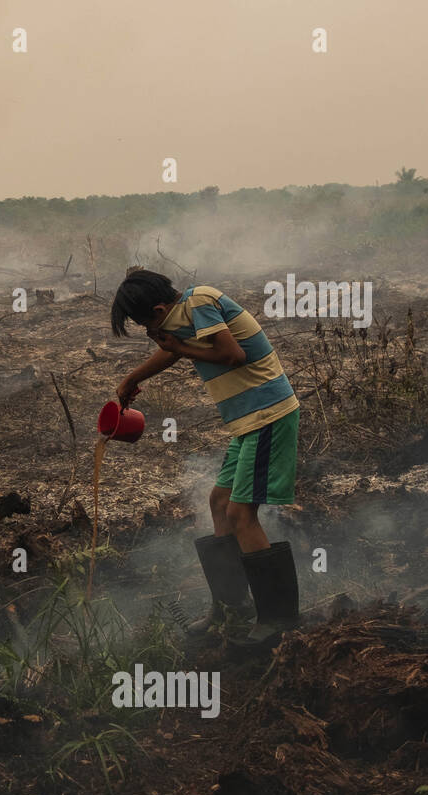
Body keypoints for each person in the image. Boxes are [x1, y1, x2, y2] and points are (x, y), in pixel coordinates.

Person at [110, 268, 301, 646]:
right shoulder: (183, 315)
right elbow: (172, 350)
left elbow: (231, 354)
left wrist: (179, 348)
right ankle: (232, 605)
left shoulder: (199, 301)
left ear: (160, 308)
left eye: (145, 324)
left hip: (269, 413)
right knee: (219, 501)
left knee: (240, 513)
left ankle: (278, 619)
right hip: (246, 421)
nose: (149, 333)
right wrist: (134, 379)